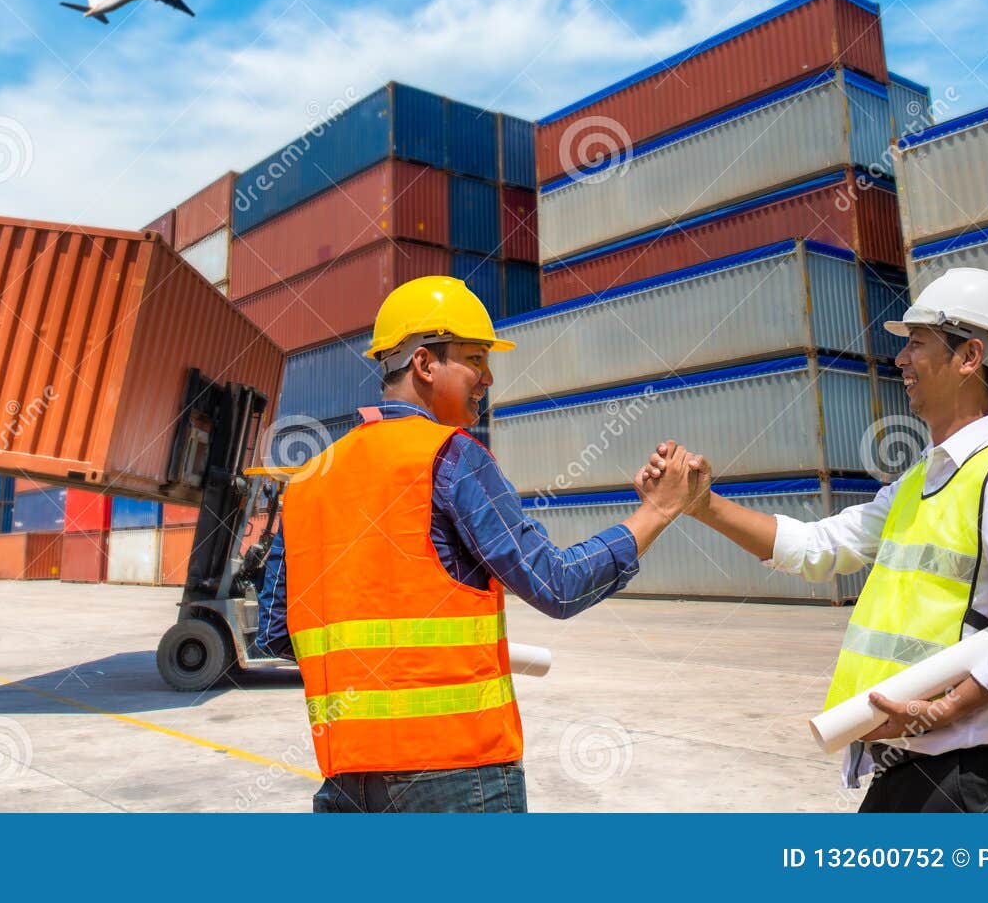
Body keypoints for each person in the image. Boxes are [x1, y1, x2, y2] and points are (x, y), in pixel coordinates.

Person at [256, 275, 708, 813]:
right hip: (455, 777)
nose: (487, 378)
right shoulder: (451, 456)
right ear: (424, 364)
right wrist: (657, 511)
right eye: (475, 359)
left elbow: (280, 633)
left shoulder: (308, 479)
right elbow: (556, 584)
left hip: (347, 782)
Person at [638, 267, 988, 812]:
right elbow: (819, 547)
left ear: (969, 357)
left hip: (965, 781)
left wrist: (942, 711)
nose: (900, 359)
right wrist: (701, 505)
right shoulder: (920, 481)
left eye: (917, 344)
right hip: (910, 773)